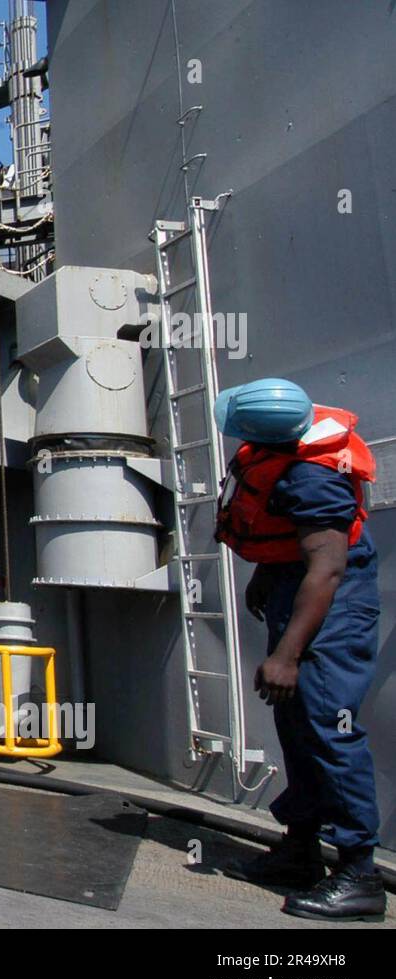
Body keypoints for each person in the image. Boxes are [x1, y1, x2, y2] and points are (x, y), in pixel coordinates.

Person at [215, 378, 385, 921]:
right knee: (297, 727)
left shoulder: (313, 477)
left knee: (329, 731)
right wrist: (267, 575)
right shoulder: (283, 446)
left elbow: (329, 566)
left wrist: (287, 655)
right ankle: (302, 849)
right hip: (298, 590)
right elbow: (294, 541)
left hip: (331, 610)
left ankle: (360, 872)